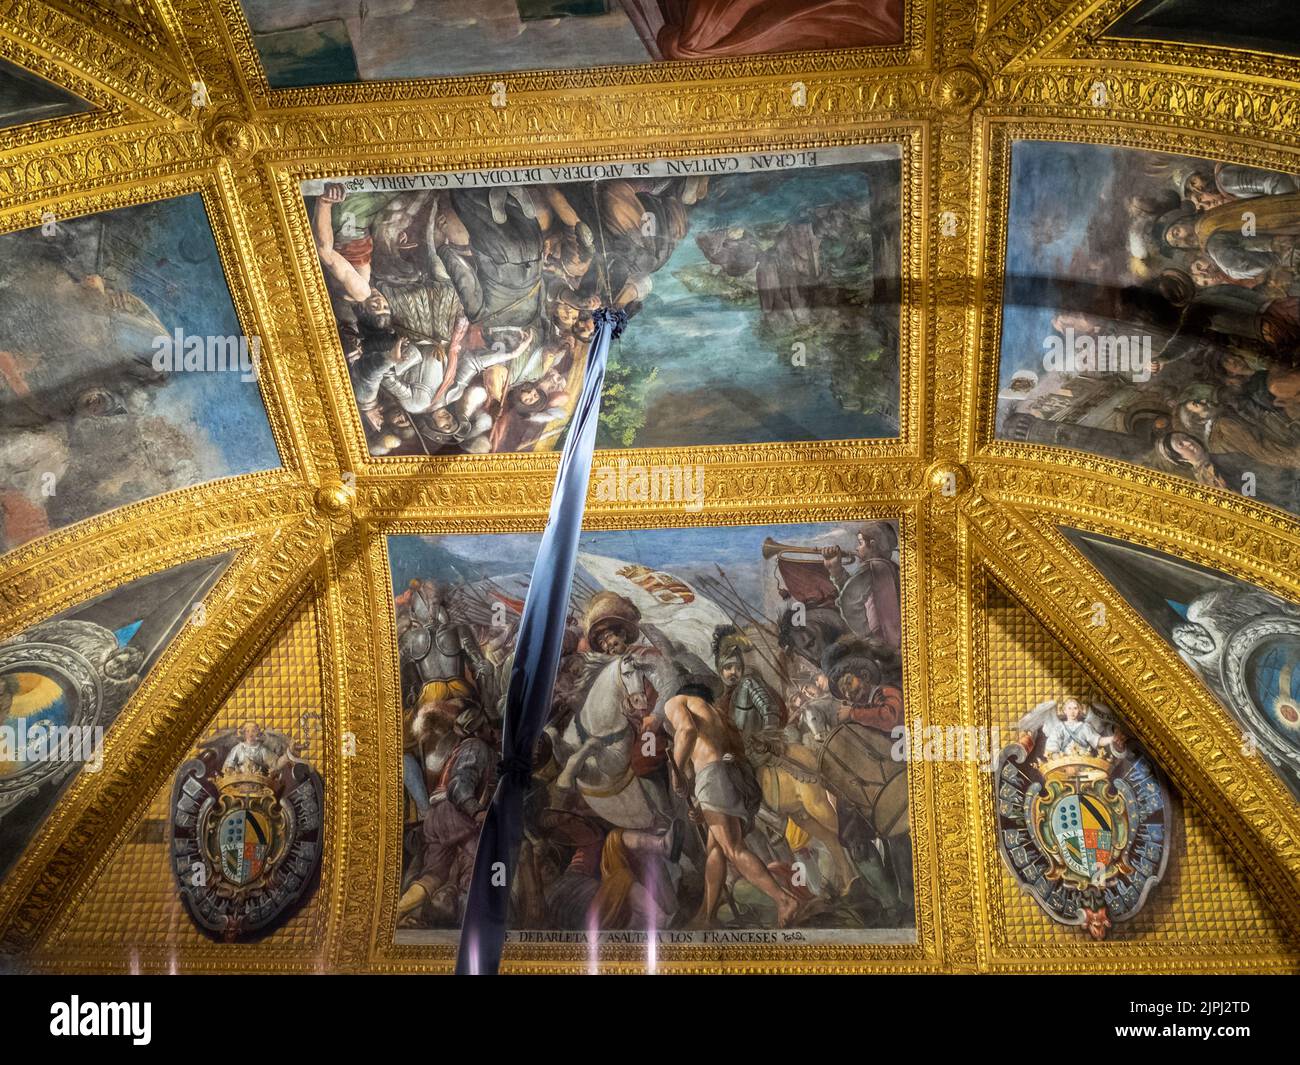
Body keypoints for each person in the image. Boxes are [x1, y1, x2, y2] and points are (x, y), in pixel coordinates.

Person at [665, 684, 802, 928]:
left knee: (733, 849)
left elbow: (686, 731)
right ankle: (707, 916)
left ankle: (784, 899)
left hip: (713, 777)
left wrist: (677, 774)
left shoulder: (679, 701)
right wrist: (701, 803)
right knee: (716, 850)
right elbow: (734, 759)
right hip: (735, 779)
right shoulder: (721, 718)